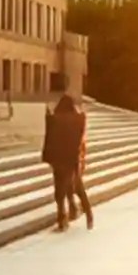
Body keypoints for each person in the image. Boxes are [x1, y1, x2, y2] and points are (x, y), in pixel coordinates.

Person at [42, 95, 93, 231]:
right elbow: (81, 130)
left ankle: (62, 218)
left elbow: (49, 136)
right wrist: (82, 115)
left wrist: (48, 116)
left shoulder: (55, 120)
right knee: (78, 188)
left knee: (59, 190)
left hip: (58, 160)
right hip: (71, 160)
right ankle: (89, 216)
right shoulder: (76, 120)